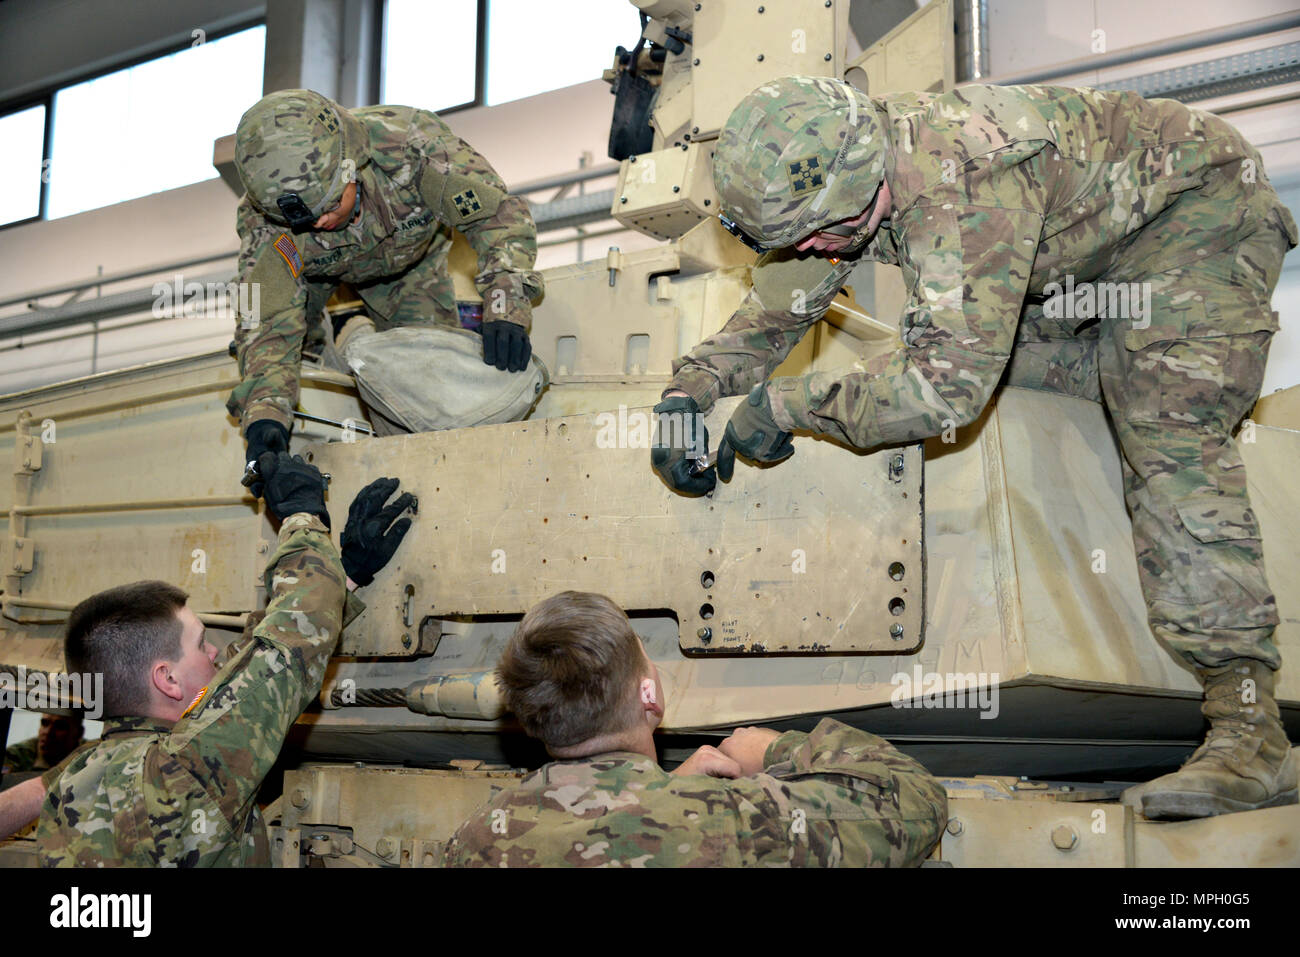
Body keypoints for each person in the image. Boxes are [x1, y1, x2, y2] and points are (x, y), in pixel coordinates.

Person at [650, 76, 1298, 820]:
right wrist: (688, 392)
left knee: (1167, 430)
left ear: (863, 185)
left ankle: (1252, 733)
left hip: (1201, 220)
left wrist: (789, 405)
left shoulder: (961, 182)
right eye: (793, 239)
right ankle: (1121, 365)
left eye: (819, 235)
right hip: (1094, 254)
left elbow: (940, 393)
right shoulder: (848, 176)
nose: (809, 252)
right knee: (1010, 368)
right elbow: (781, 304)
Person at [37, 454, 415, 866]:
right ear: (166, 679)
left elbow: (245, 669)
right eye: (201, 645)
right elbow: (287, 647)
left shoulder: (75, 779)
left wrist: (343, 579)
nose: (216, 652)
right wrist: (301, 515)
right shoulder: (187, 766)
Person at [442, 591, 947, 867]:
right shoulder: (731, 824)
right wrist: (775, 750)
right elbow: (919, 802)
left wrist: (661, 795)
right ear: (650, 696)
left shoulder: (477, 836)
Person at [228, 88, 544, 491]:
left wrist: (506, 303)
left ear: (351, 168)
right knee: (299, 364)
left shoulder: (411, 147)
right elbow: (265, 319)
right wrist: (264, 418)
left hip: (409, 266)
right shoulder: (266, 225)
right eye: (305, 222)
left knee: (426, 381)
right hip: (314, 277)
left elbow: (496, 217)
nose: (320, 224)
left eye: (327, 208)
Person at [3, 713, 83, 774]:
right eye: (44, 723)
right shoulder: (16, 755)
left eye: (60, 726)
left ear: (78, 733)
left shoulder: (89, 755)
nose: (48, 732)